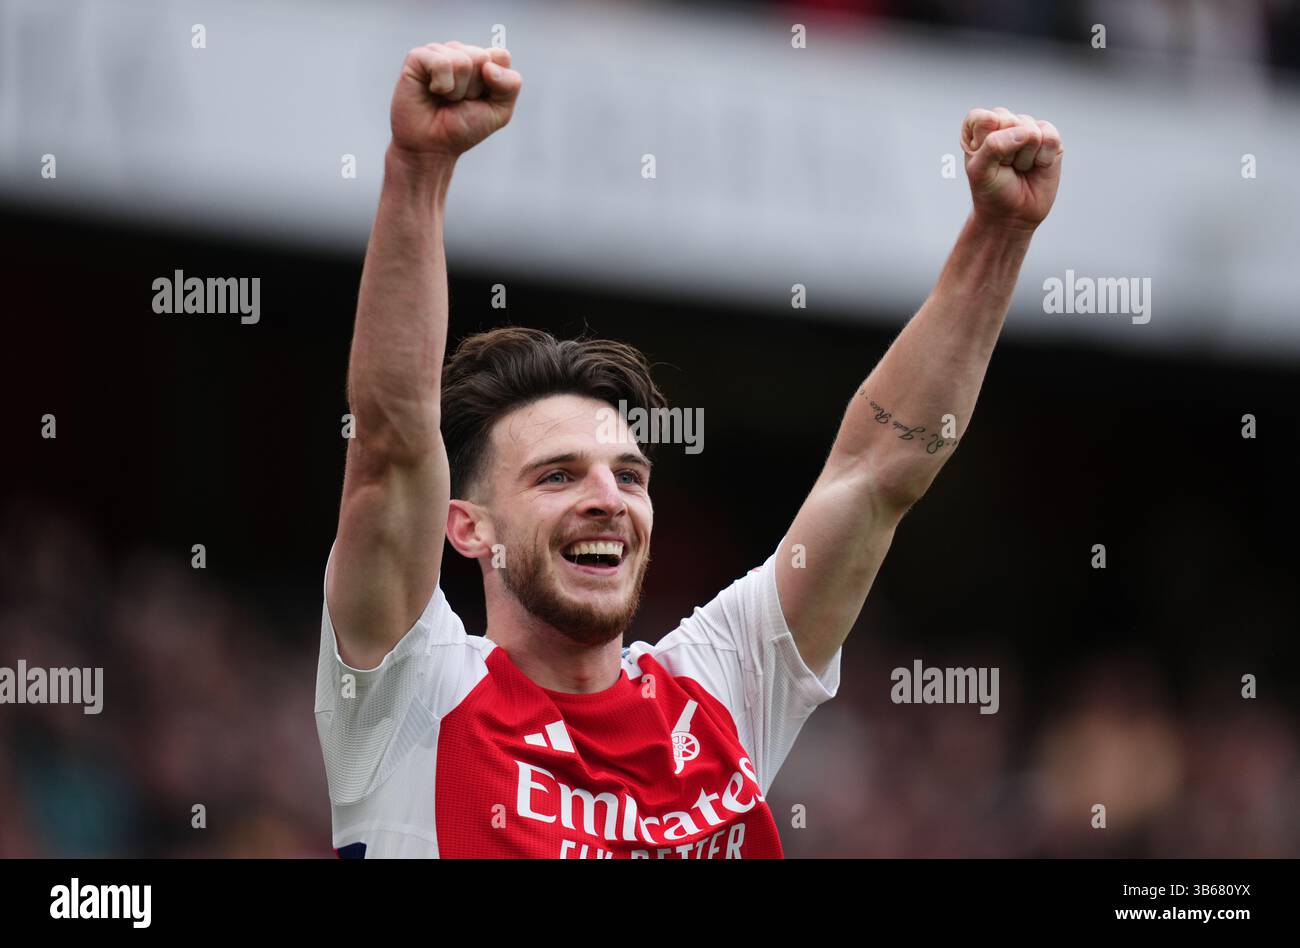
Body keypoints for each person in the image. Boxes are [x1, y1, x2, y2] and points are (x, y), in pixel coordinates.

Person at [314, 40, 1064, 858]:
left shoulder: (714, 694)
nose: (608, 498)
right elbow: (389, 445)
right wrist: (418, 169)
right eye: (557, 475)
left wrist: (999, 233)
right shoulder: (409, 696)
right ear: (468, 528)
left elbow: (876, 475)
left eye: (628, 475)